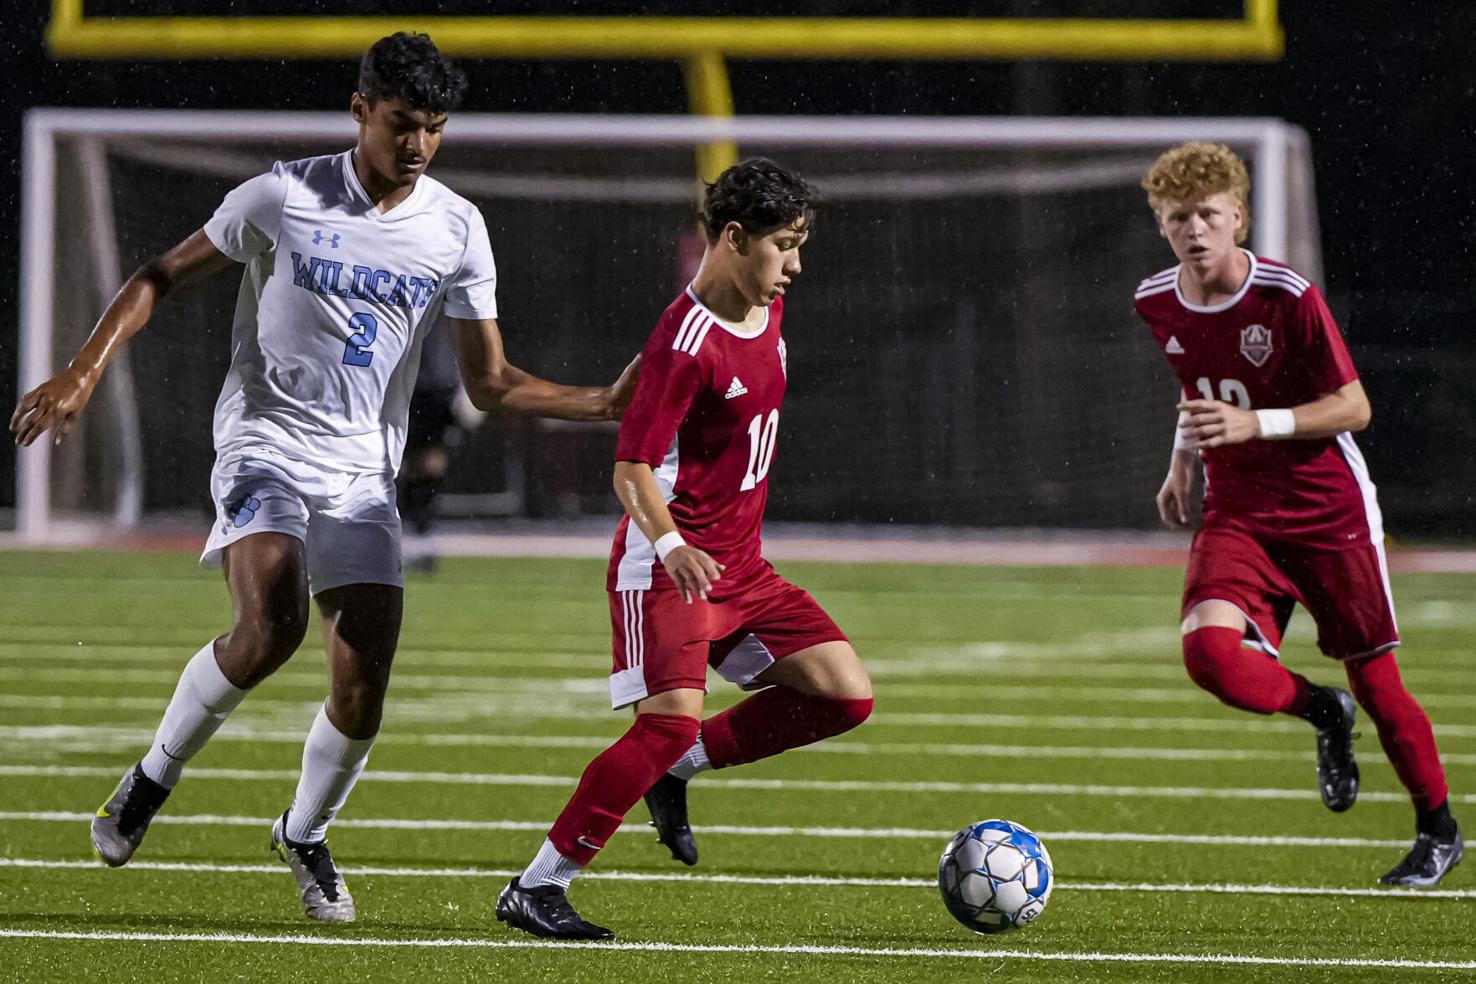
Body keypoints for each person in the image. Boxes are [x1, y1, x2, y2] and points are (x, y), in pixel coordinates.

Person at [9, 32, 637, 922]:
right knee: (272, 622)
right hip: (262, 442)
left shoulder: (456, 227)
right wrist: (81, 369)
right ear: (359, 111)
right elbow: (159, 273)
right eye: (400, 124)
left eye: (434, 128)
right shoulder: (283, 193)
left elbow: (489, 383)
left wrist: (604, 401)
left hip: (361, 474)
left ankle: (304, 833)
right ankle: (152, 779)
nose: (417, 145)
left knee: (363, 680)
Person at [495, 159, 874, 940]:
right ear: (734, 239)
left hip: (743, 565)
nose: (796, 266)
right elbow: (630, 464)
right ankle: (537, 887)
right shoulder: (685, 339)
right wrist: (669, 544)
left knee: (844, 696)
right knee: (663, 722)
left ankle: (681, 769)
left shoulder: (761, 308)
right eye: (784, 245)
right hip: (671, 565)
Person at [1135, 141, 1460, 886]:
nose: (1195, 230)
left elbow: (1355, 406)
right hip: (1240, 509)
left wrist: (1261, 425)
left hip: (1326, 509)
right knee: (1209, 657)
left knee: (1380, 681)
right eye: (1178, 217)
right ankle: (1321, 710)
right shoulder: (1155, 298)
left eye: (1208, 214)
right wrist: (1181, 462)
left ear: (1238, 217)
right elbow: (1196, 386)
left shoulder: (1287, 295)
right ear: (1161, 223)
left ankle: (1437, 829)